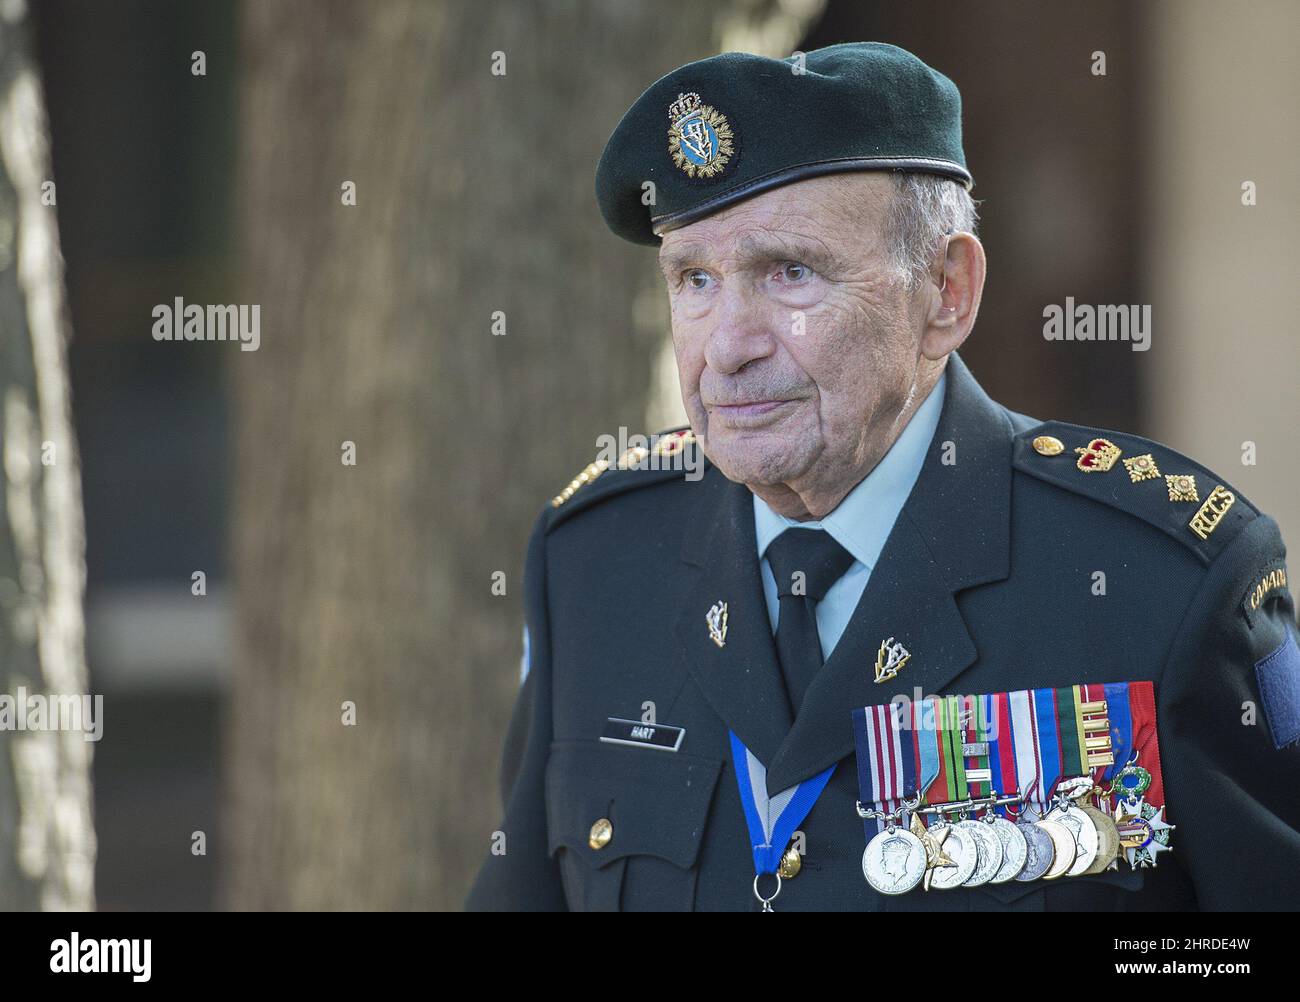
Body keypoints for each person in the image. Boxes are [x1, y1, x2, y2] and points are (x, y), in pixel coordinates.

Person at [466, 41, 1299, 911]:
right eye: (696, 279)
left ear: (946, 293)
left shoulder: (1162, 580)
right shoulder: (597, 557)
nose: (727, 346)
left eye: (790, 272)